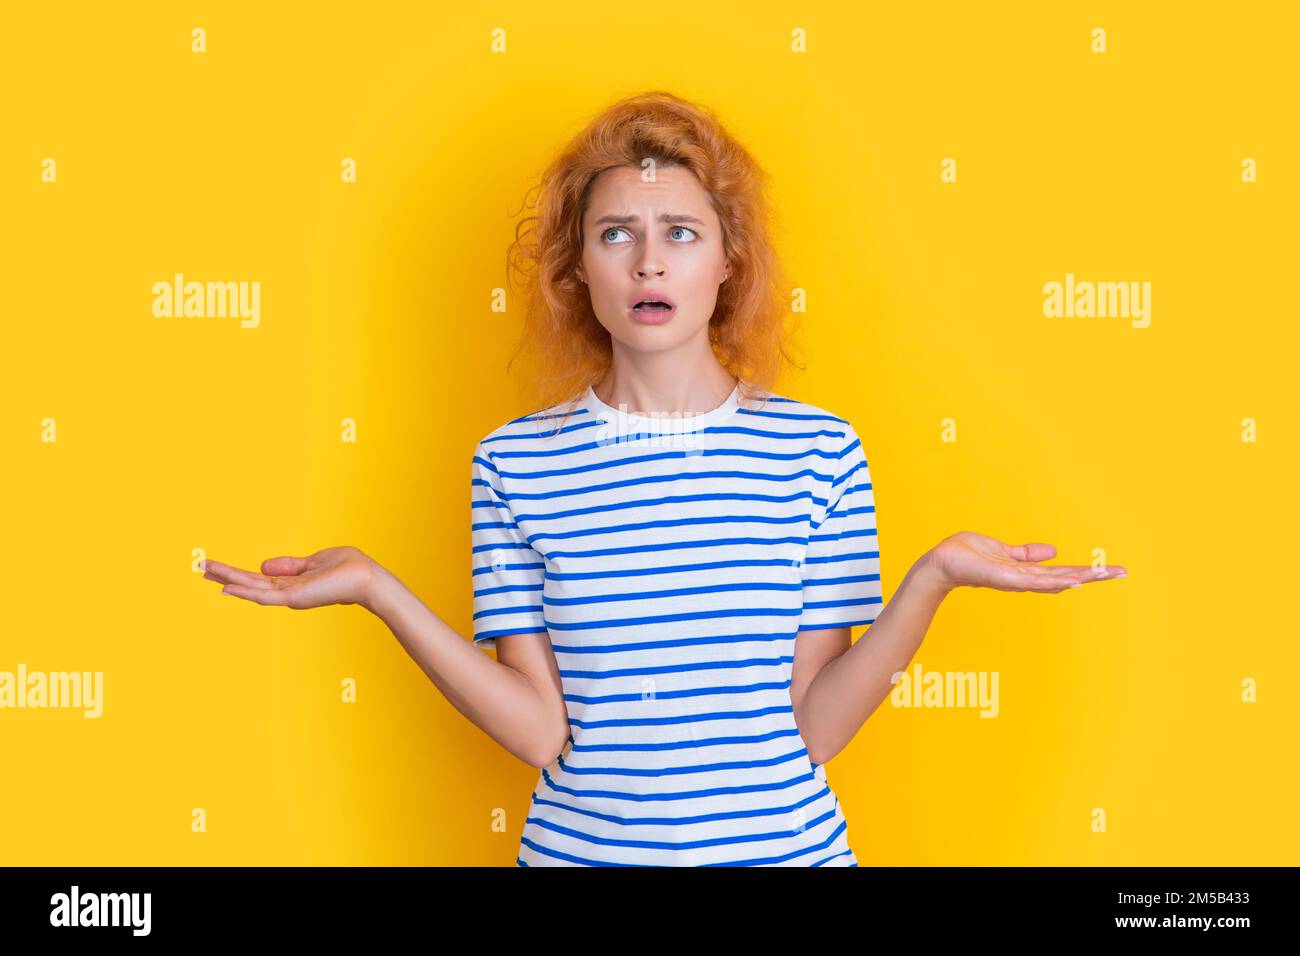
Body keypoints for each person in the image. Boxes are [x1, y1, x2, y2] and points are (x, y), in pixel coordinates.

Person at [202, 91, 1128, 866]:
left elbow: (814, 730)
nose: (649, 258)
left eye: (680, 232)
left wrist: (932, 580)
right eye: (617, 234)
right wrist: (376, 589)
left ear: (727, 264)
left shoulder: (818, 453)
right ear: (580, 272)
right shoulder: (513, 464)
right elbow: (538, 733)